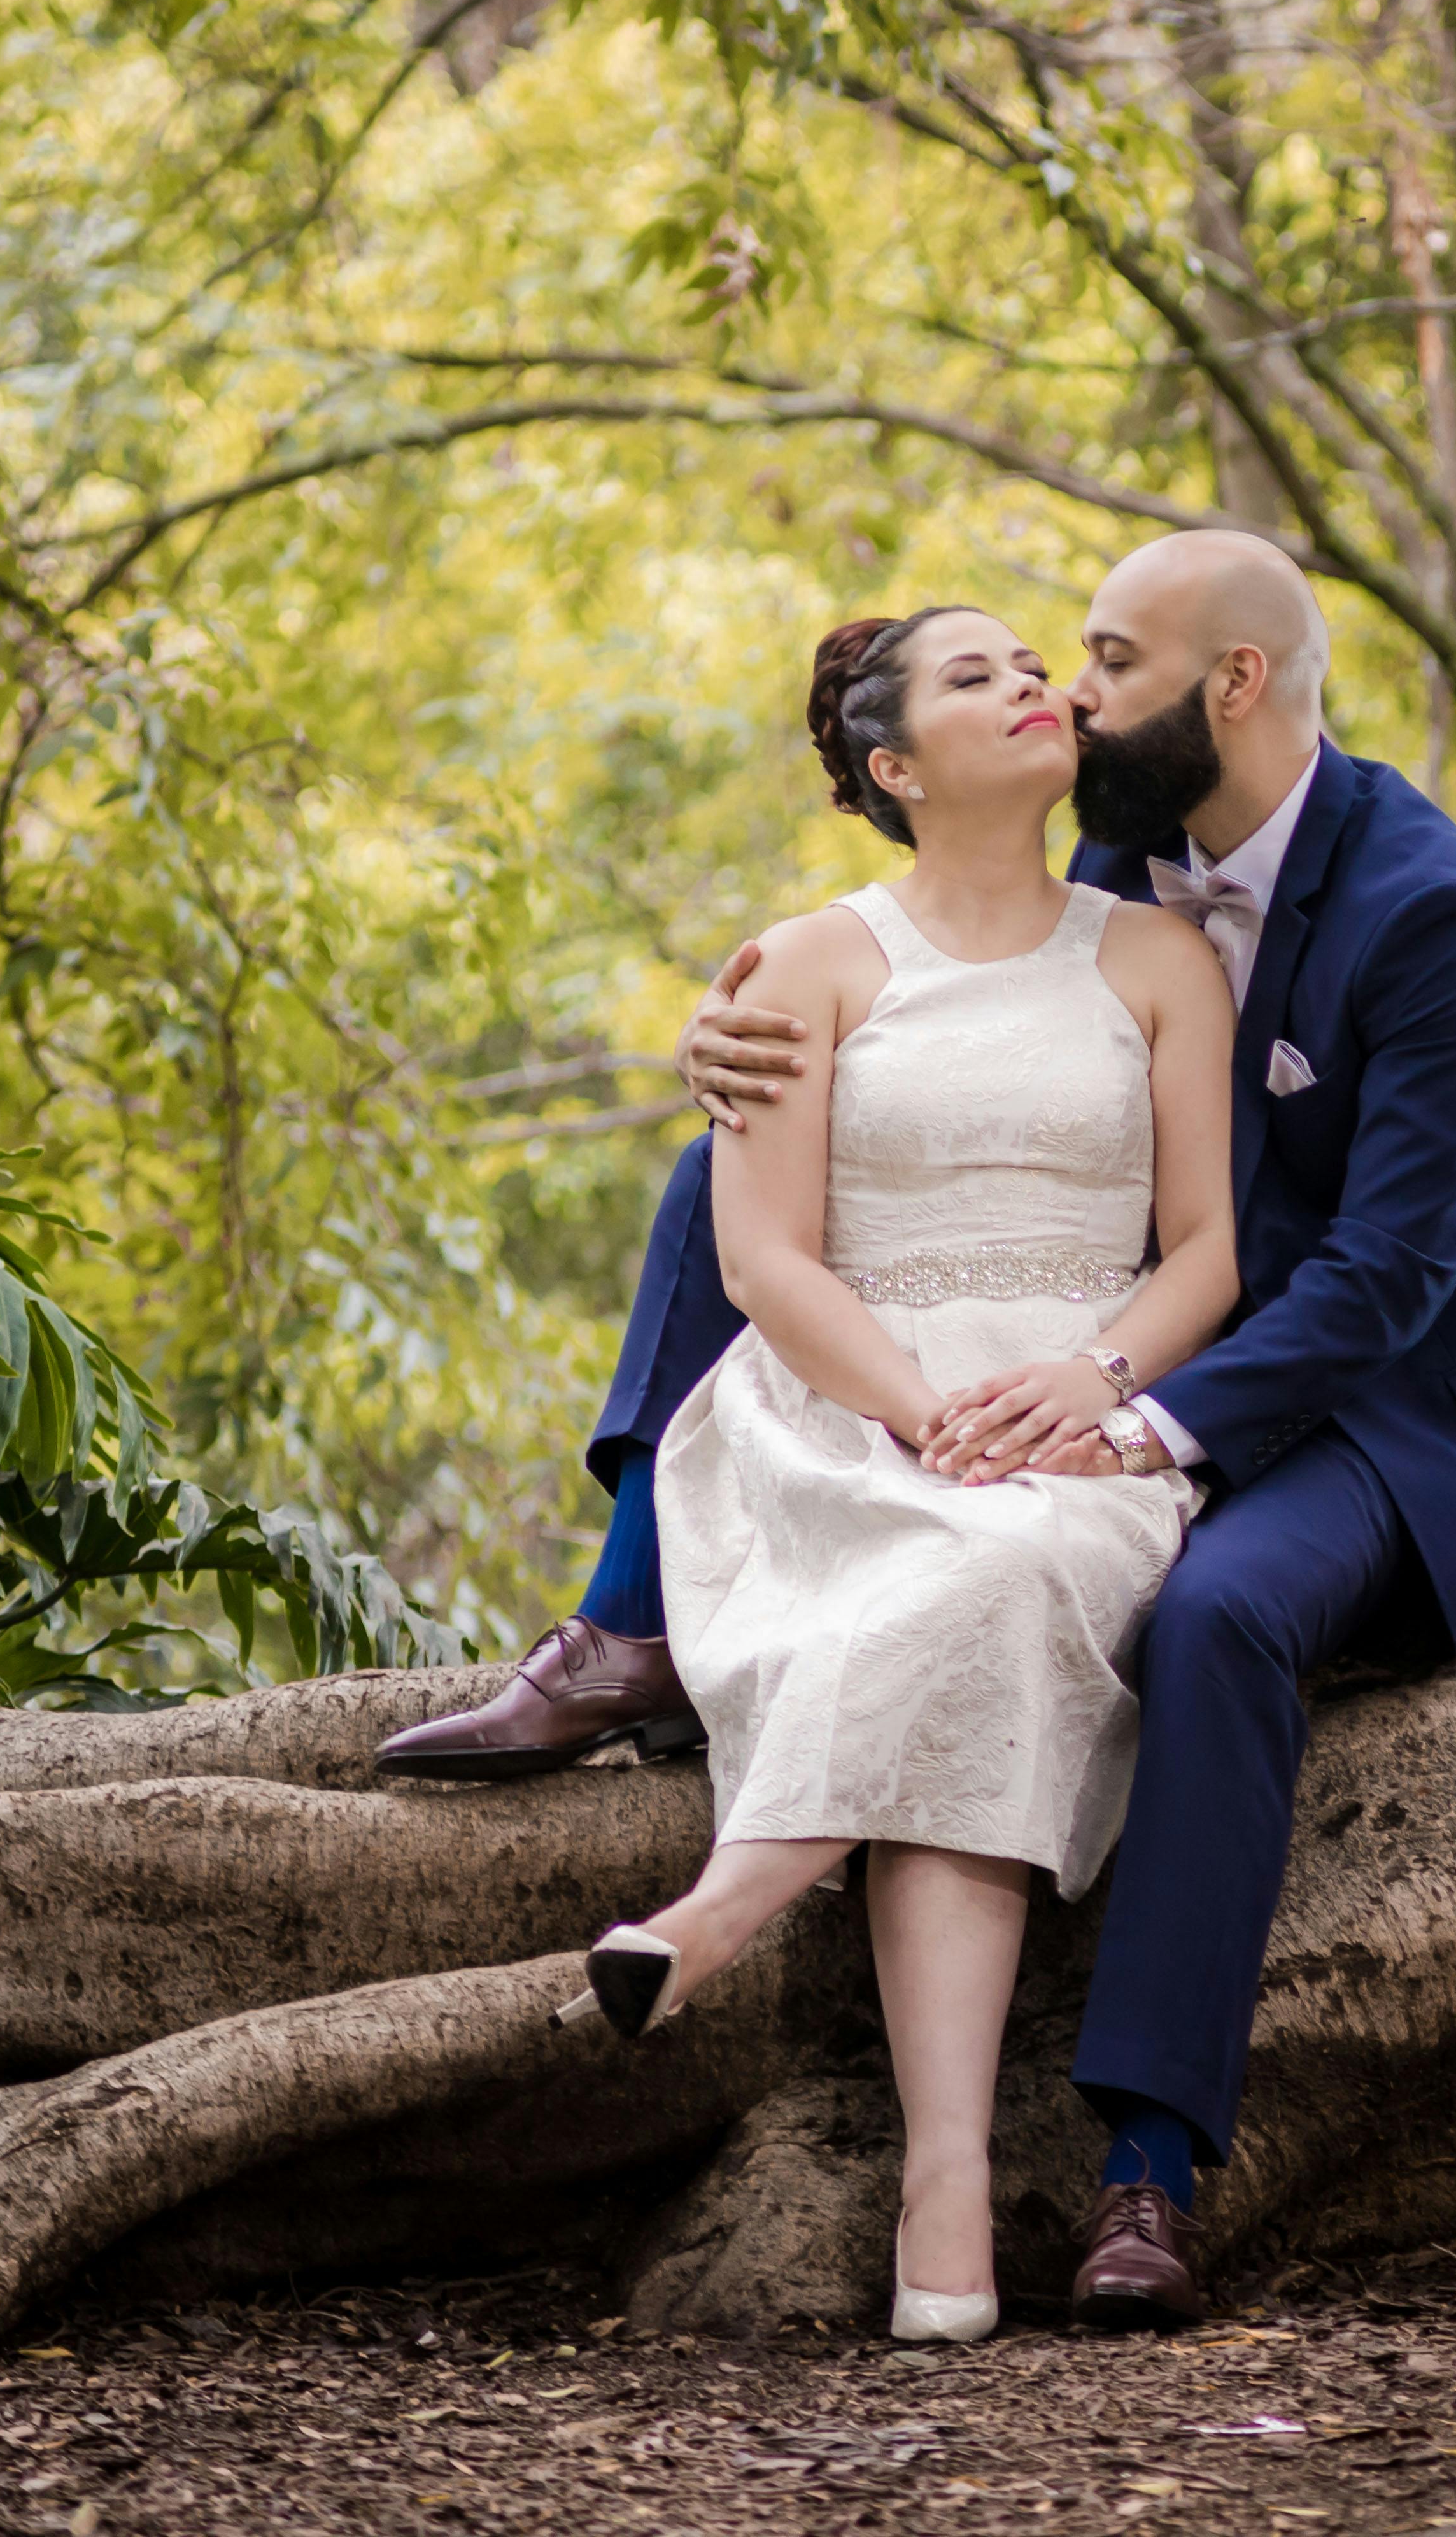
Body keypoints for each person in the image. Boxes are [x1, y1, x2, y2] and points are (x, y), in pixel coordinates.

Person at [384, 530, 1456, 2330]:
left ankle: (1146, 2171)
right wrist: (730, 1050)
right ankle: (633, 1616)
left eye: (1107, 662)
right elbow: (942, 1015)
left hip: (1406, 1404)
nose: (1068, 689)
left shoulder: (1430, 910)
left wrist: (1135, 1415)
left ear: (1229, 688)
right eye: (1049, 665)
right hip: (1165, 1352)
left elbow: (1392, 1276)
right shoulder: (1136, 839)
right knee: (708, 1176)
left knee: (1217, 1620)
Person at [551, 606, 1241, 2348]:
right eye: (974, 678)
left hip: (1077, 1413)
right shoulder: (804, 965)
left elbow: (1210, 1252)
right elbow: (769, 1259)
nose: (1028, 687)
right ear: (895, 768)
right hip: (839, 1416)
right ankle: (942, 2185)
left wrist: (1086, 1389)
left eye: (1034, 667)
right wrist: (919, 1415)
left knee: (1002, 1576)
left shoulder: (1159, 961)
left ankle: (722, 1923)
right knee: (969, 1589)